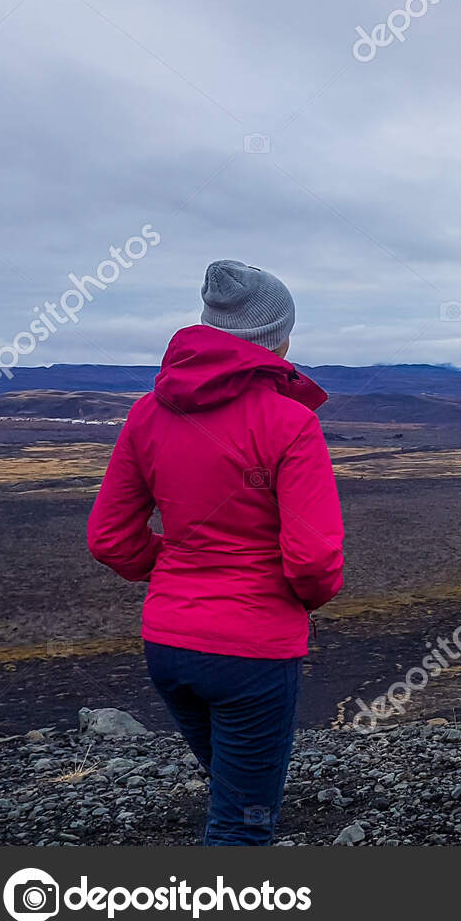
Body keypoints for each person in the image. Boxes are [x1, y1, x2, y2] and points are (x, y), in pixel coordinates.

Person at [88, 260, 345, 845]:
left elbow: (109, 537)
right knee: (241, 825)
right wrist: (299, 599)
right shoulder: (291, 423)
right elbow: (312, 561)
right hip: (253, 651)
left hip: (169, 645)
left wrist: (179, 569)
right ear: (275, 338)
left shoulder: (148, 413)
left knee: (233, 794)